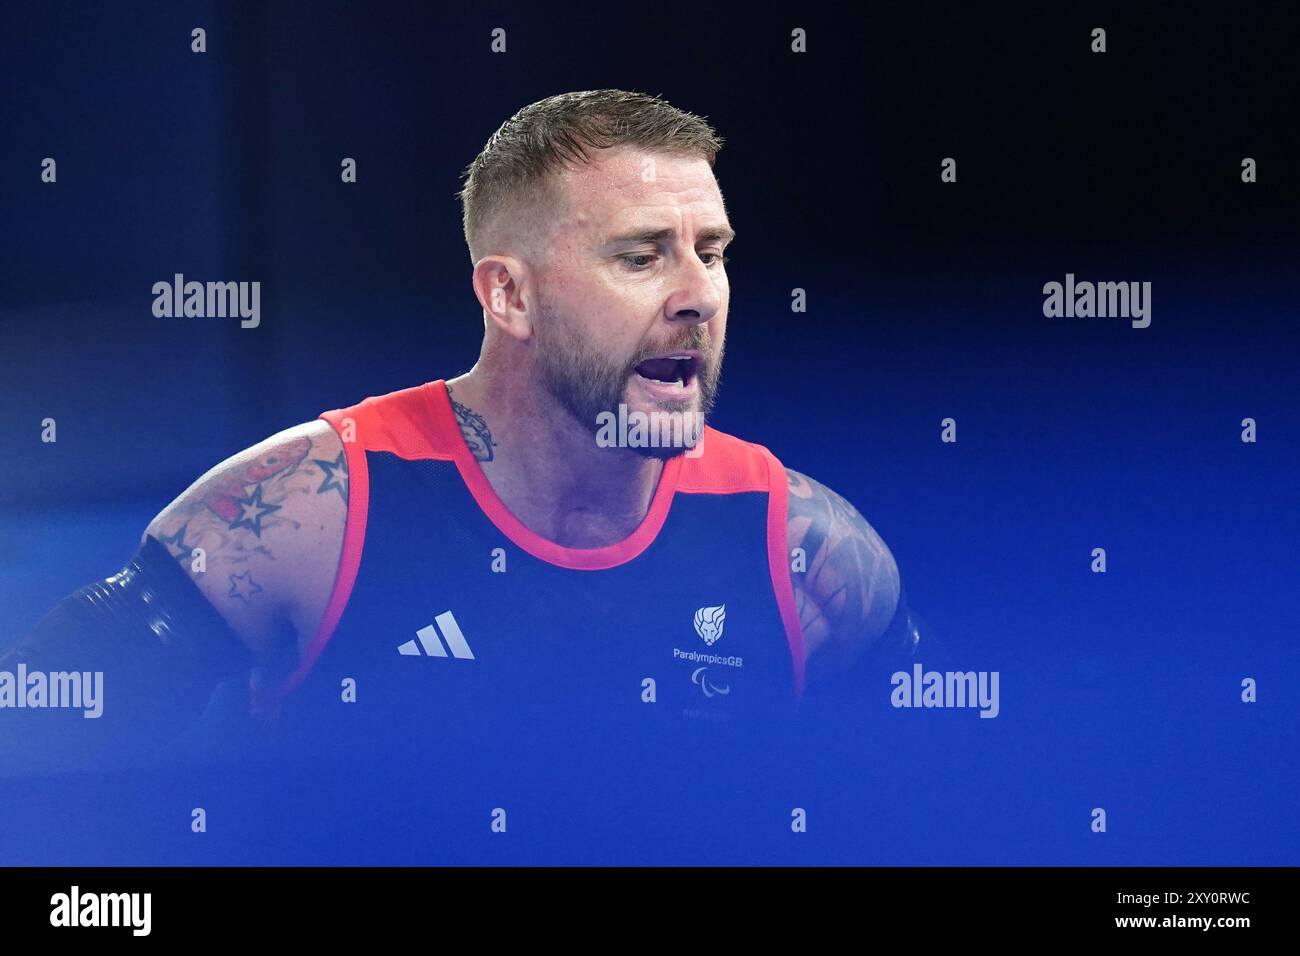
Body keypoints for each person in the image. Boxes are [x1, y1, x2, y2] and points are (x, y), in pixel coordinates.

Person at [1, 89, 925, 774]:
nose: (698, 297)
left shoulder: (800, 542)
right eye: (641, 257)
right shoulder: (302, 510)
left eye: (712, 253)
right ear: (509, 295)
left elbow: (952, 803)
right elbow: (35, 766)